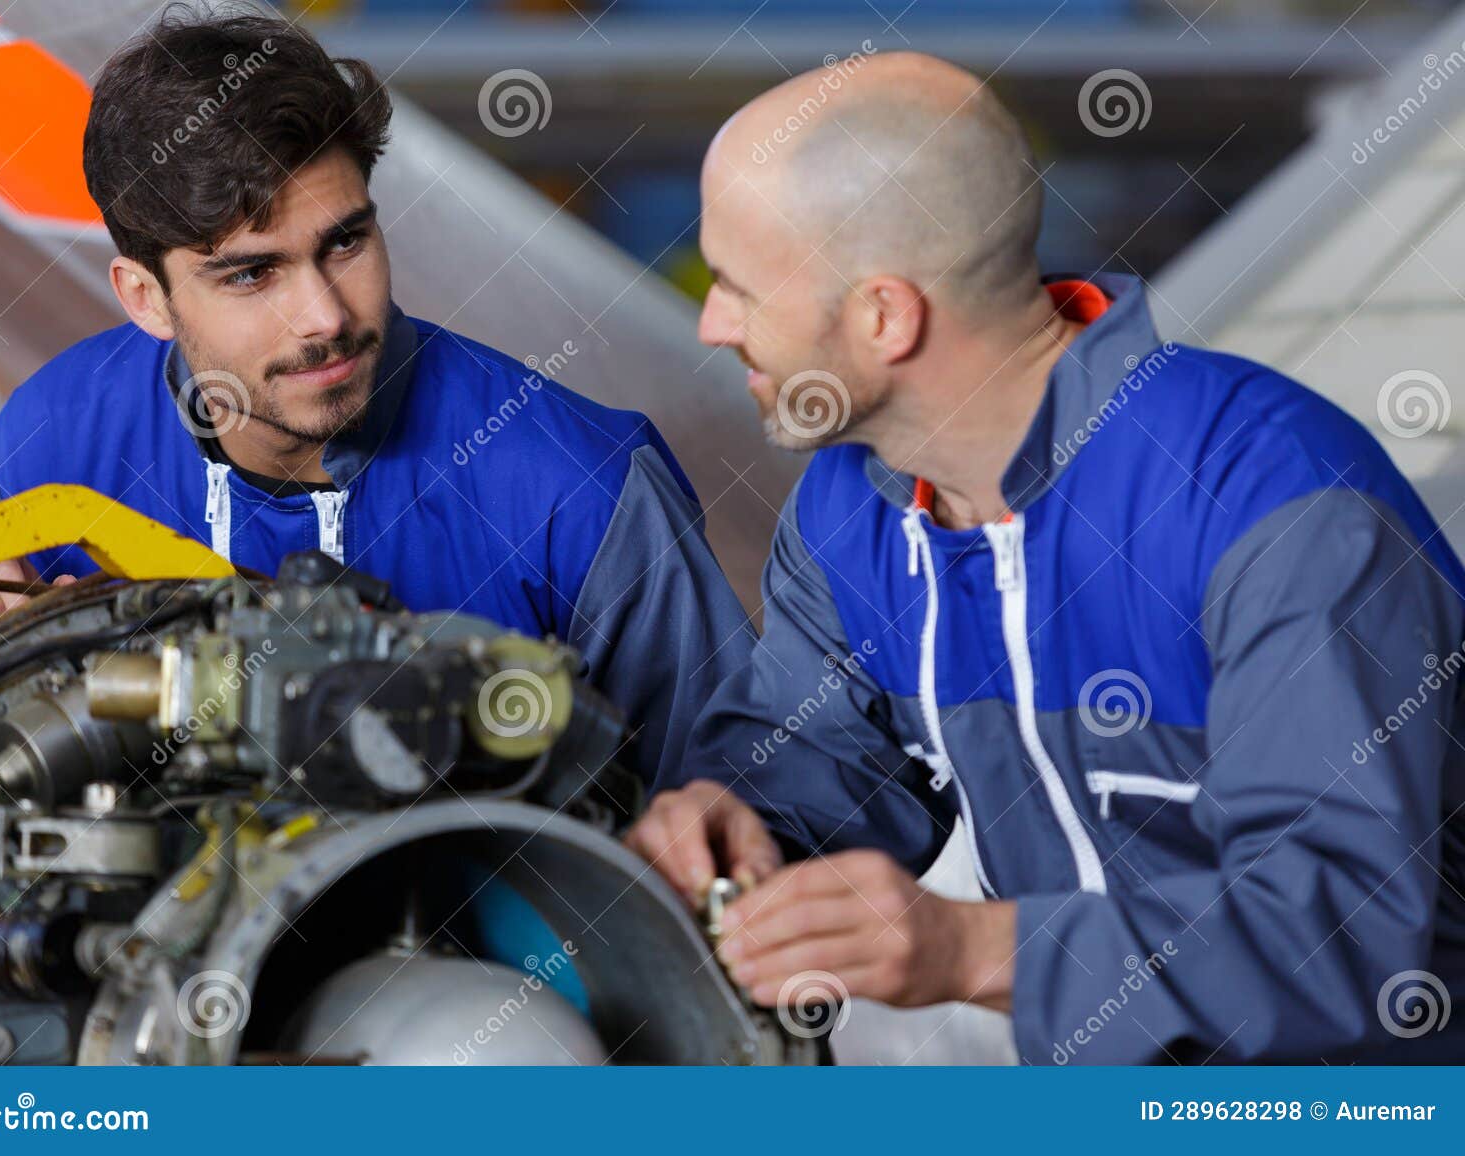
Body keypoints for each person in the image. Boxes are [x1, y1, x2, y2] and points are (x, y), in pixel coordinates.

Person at [626, 51, 1465, 1062]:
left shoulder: (1276, 507)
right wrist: (732, 817)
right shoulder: (850, 513)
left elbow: (1338, 938)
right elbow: (808, 761)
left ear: (885, 316)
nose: (711, 324)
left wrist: (969, 948)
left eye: (737, 285)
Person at [0, 9, 752, 789]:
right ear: (145, 298)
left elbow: (737, 827)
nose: (325, 316)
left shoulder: (579, 488)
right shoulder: (49, 443)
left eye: (345, 241)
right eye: (252, 273)